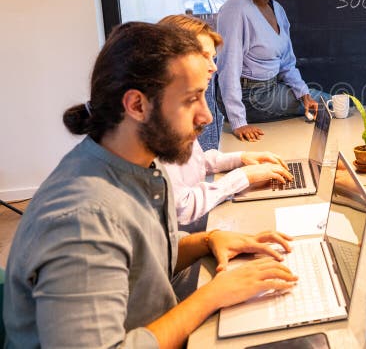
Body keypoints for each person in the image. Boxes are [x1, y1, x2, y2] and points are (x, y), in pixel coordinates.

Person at [3, 22, 297, 348]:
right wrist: (212, 296)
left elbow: (145, 260)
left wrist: (208, 240)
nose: (206, 117)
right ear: (137, 105)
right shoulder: (82, 220)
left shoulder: (143, 164)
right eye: (191, 100)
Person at [158, 14, 293, 227]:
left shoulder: (178, 109)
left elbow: (197, 162)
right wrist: (243, 177)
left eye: (214, 57)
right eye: (205, 56)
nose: (214, 67)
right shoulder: (159, 123)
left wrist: (242, 158)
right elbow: (182, 208)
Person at [216, 0, 324, 142]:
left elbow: (286, 62)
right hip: (248, 96)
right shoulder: (236, 8)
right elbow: (227, 67)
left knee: (327, 103)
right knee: (331, 105)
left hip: (271, 88)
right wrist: (239, 121)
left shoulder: (277, 9)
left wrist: (303, 94)